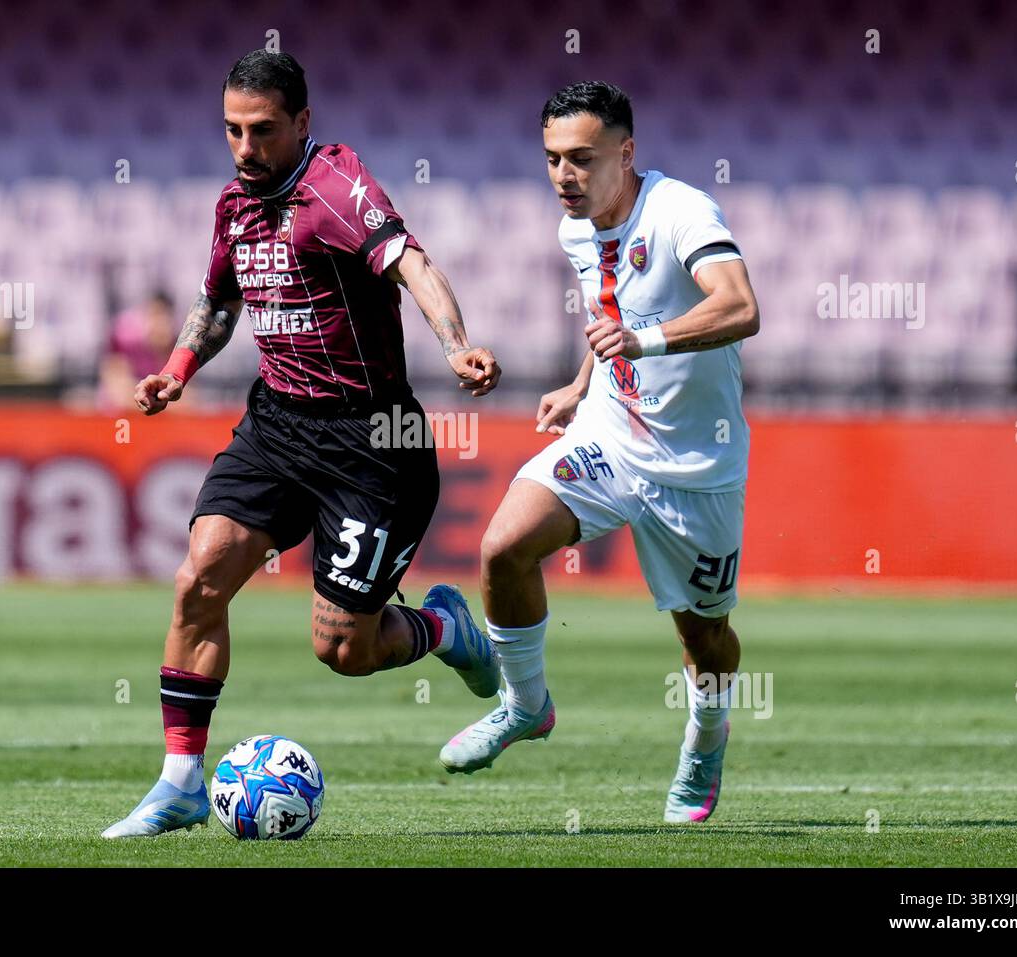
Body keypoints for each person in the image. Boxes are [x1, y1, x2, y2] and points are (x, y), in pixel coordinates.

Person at [103, 50, 504, 838]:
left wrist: (457, 344)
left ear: (303, 124)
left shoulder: (337, 187)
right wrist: (175, 369)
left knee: (345, 649)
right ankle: (180, 783)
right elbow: (219, 302)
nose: (245, 148)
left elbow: (411, 262)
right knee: (198, 581)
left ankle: (444, 628)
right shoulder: (234, 205)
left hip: (371, 442)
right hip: (278, 425)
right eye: (231, 131)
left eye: (262, 131)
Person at [439, 81, 760, 824]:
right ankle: (525, 705)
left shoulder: (682, 212)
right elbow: (614, 309)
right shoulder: (574, 230)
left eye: (581, 158)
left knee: (703, 635)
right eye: (552, 159)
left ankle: (706, 738)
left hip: (696, 465)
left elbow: (741, 307)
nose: (563, 176)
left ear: (627, 151)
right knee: (502, 548)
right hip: (611, 435)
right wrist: (584, 383)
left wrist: (642, 342)